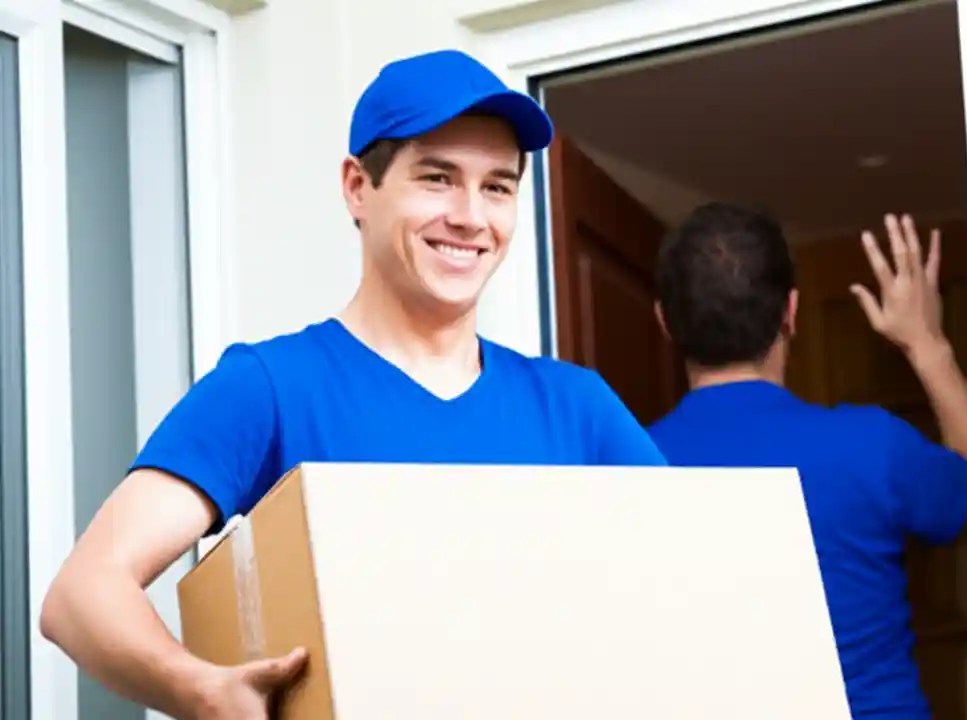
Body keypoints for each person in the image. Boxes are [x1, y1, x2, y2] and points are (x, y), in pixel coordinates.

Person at [39, 49, 665, 720]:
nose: (470, 216)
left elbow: (697, 582)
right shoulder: (273, 386)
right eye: (437, 178)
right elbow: (82, 594)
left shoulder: (578, 407)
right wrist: (198, 689)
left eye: (498, 187)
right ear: (357, 187)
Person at [647, 202, 967, 719]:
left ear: (664, 322)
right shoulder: (872, 444)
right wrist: (927, 343)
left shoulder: (621, 471)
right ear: (791, 311)